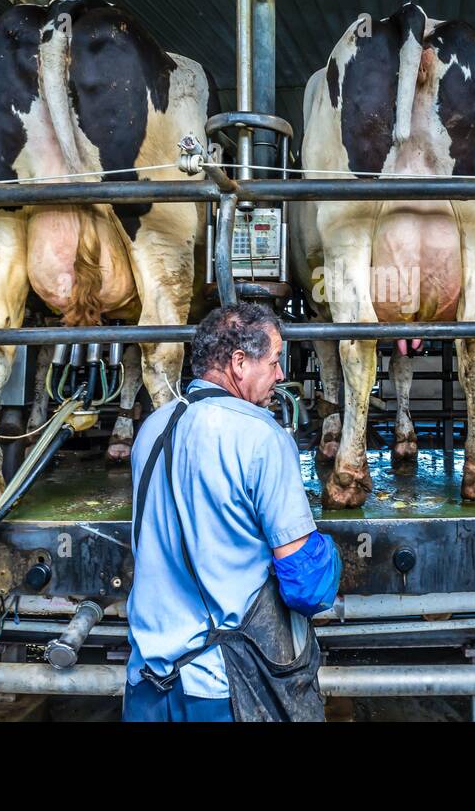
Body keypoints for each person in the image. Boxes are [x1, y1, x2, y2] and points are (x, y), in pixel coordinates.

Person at [123, 302, 342, 722]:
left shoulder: (151, 429)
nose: (280, 376)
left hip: (148, 685)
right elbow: (307, 585)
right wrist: (328, 555)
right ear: (239, 363)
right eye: (275, 361)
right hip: (225, 688)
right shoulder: (261, 435)